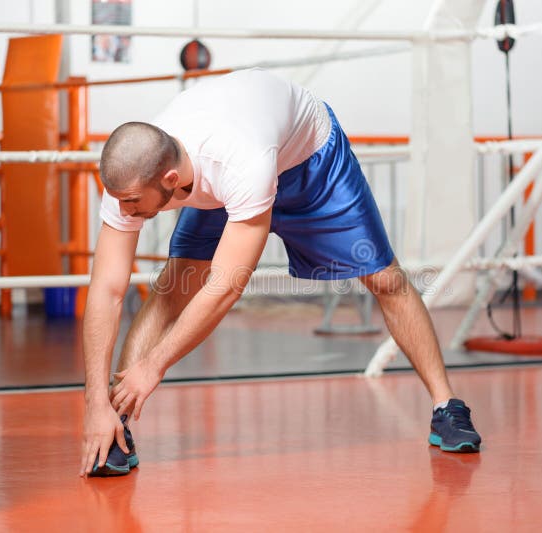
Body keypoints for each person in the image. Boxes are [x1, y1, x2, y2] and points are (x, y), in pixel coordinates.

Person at [79, 68, 481, 477]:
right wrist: (96, 401)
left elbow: (224, 287)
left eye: (131, 202)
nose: (125, 211)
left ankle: (446, 406)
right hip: (230, 171)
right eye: (120, 201)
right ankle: (116, 425)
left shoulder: (239, 161)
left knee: (385, 279)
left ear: (168, 178)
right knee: (172, 286)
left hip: (310, 163)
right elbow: (107, 289)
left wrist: (154, 366)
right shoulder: (131, 176)